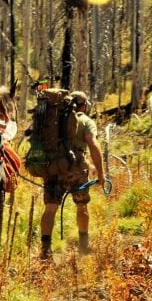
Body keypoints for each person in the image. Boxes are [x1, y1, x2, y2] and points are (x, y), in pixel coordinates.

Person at [39, 90, 107, 258]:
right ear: (83, 106)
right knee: (82, 206)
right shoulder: (85, 121)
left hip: (53, 169)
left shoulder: (54, 119)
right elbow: (93, 145)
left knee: (50, 209)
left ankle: (45, 251)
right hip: (76, 172)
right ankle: (83, 246)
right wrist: (101, 174)